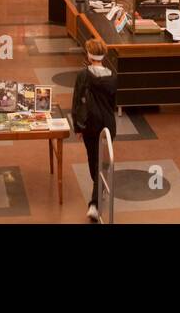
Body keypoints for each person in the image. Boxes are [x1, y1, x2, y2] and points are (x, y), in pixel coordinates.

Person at [73, 38, 117, 222]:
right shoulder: (113, 77)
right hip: (107, 124)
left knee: (93, 160)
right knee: (101, 162)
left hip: (89, 124)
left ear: (89, 55)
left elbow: (77, 101)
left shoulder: (83, 75)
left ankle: (95, 204)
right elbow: (113, 102)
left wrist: (77, 126)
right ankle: (99, 190)